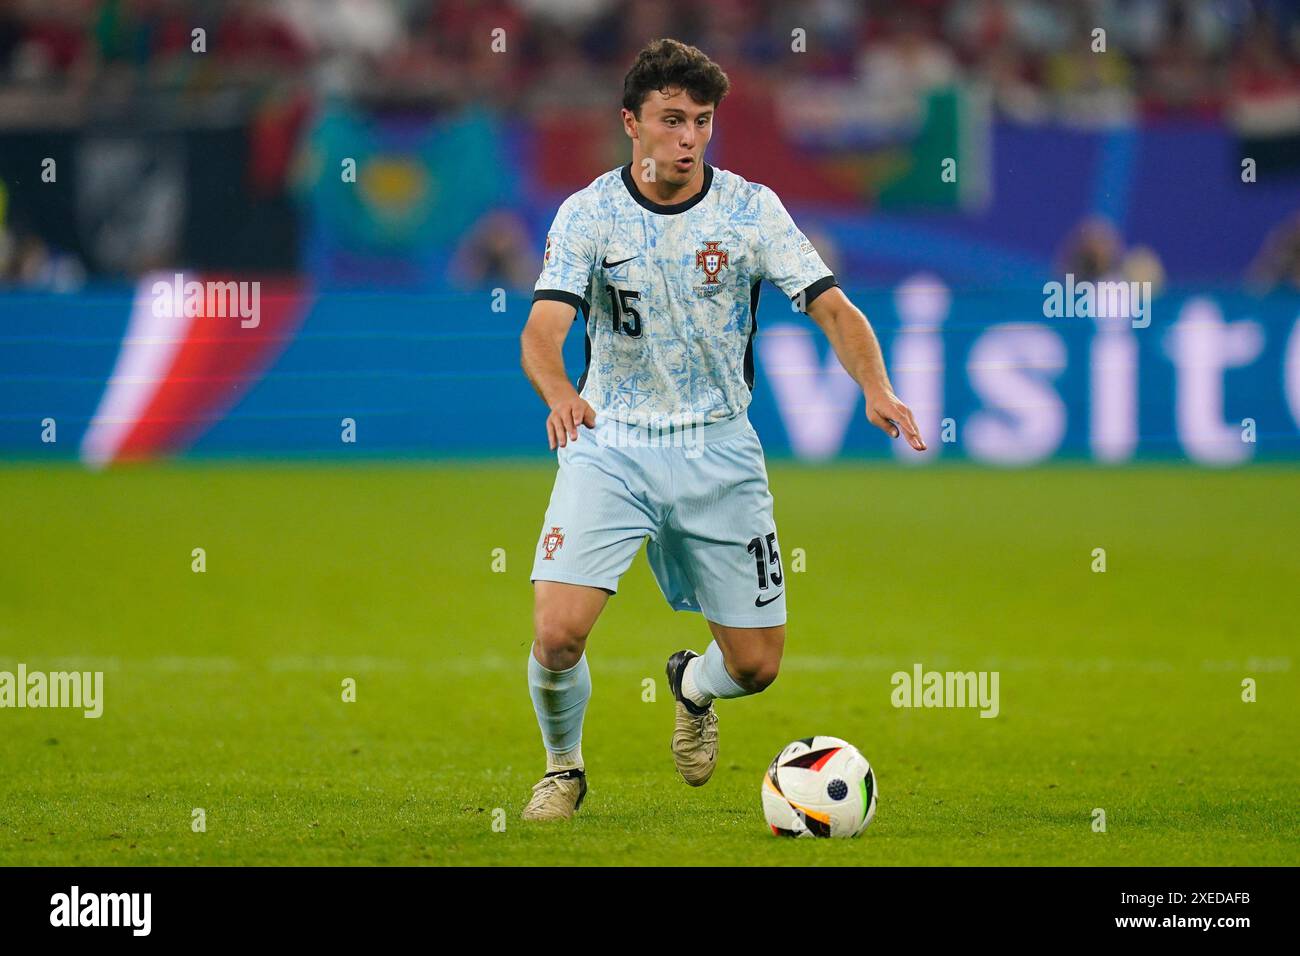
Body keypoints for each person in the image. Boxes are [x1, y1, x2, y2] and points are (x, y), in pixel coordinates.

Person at [518, 38, 925, 820]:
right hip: (614, 446)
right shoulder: (589, 214)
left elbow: (832, 306)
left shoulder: (750, 209)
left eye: (702, 121)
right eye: (672, 120)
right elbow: (541, 329)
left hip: (720, 449)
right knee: (559, 630)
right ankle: (562, 769)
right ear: (630, 123)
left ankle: (691, 684)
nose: (689, 138)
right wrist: (562, 393)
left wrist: (876, 386)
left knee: (757, 666)